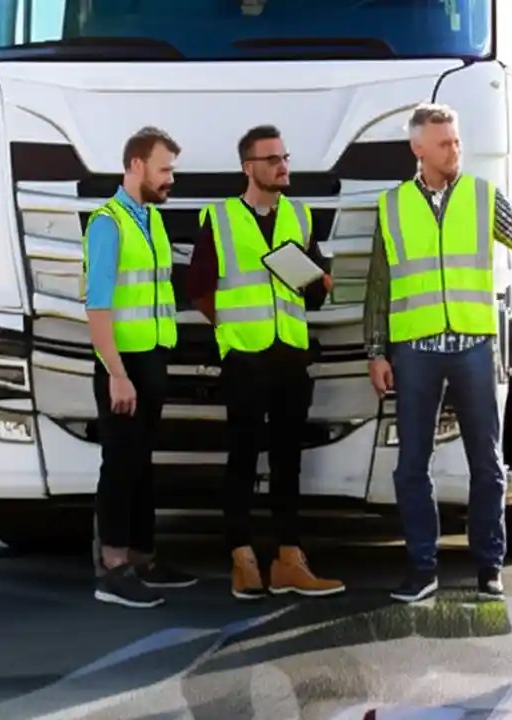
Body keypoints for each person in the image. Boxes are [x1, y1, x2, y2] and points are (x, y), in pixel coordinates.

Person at [363, 103, 512, 604]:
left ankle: (489, 567)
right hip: (414, 353)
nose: (456, 149)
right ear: (419, 149)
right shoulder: (391, 207)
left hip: (473, 347)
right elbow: (378, 287)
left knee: (487, 463)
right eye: (445, 142)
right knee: (412, 464)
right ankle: (421, 567)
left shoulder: (481, 196)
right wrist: (375, 352)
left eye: (457, 140)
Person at [186, 124, 344, 601]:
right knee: (241, 459)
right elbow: (198, 288)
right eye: (272, 159)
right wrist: (231, 333)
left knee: (287, 461)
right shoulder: (219, 217)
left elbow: (312, 291)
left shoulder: (299, 216)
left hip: (290, 354)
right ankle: (243, 560)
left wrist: (320, 283)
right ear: (248, 167)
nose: (282, 166)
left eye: (284, 157)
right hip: (244, 358)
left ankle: (289, 561)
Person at [84, 126, 196, 608]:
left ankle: (144, 559)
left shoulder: (150, 220)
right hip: (123, 364)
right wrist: (116, 372)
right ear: (135, 166)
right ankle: (113, 568)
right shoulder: (109, 223)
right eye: (164, 169)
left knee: (142, 466)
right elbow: (98, 306)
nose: (170, 178)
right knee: (120, 466)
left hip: (150, 357)